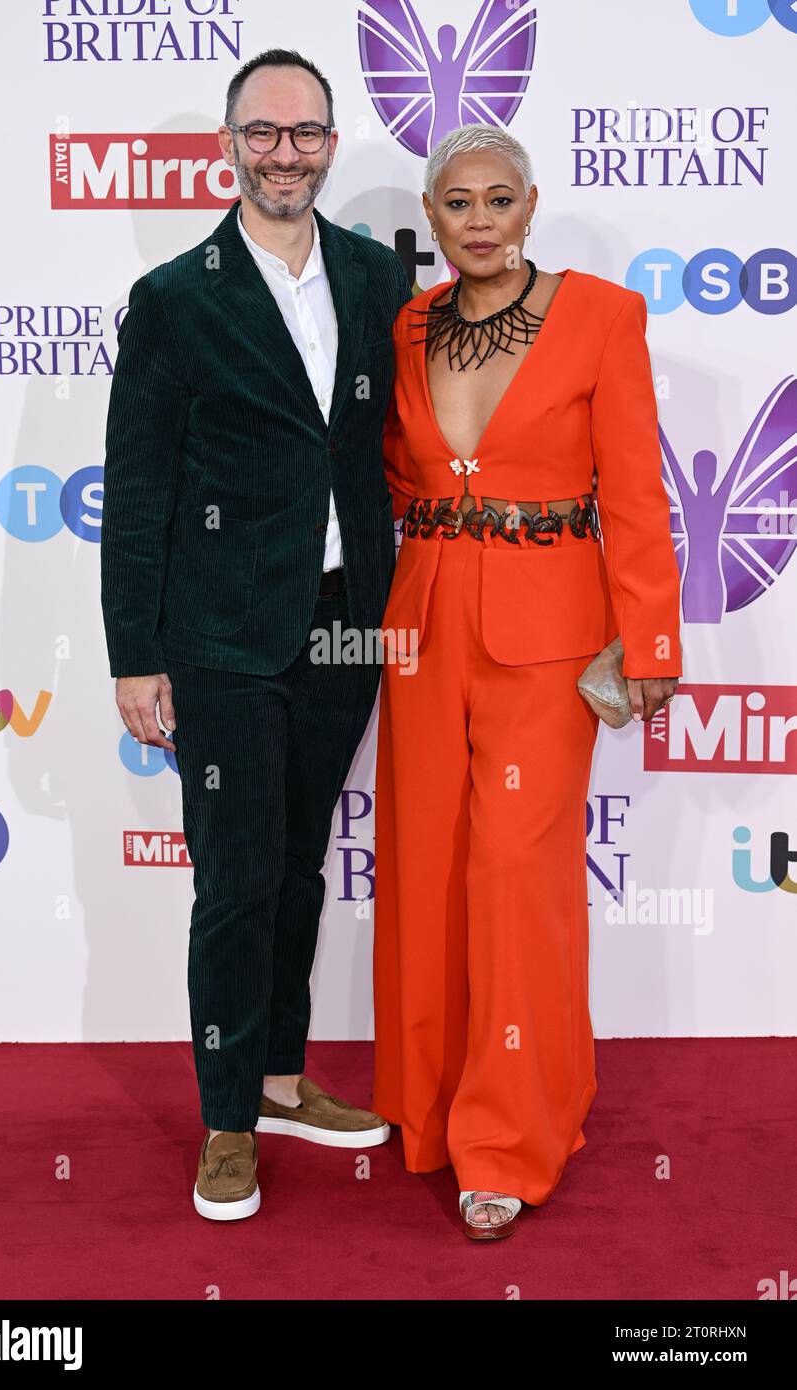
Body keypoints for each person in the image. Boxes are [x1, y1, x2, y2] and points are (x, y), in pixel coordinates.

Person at [100, 49, 411, 1221]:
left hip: (342, 625)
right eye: (263, 132)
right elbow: (135, 494)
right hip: (220, 637)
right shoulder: (178, 298)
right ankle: (227, 1121)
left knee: (296, 866)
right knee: (233, 882)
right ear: (230, 147)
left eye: (307, 131)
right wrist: (135, 651)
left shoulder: (376, 277)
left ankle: (281, 1078)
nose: (286, 151)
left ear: (331, 143)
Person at [372, 123, 682, 1240]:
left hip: (548, 625)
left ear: (532, 203)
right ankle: (428, 1111)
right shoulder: (405, 323)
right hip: (420, 616)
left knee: (514, 872)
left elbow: (636, 488)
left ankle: (507, 1138)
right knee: (421, 867)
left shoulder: (602, 315)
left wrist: (648, 642)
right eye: (457, 203)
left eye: (498, 198)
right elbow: (391, 471)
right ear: (433, 213)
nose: (479, 220)